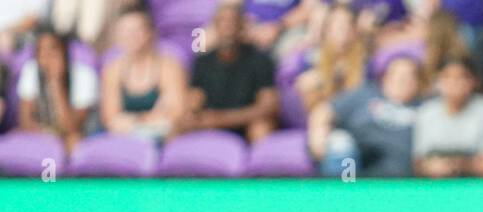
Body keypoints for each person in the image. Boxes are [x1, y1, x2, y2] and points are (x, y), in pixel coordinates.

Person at [309, 53, 424, 177]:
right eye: (399, 75)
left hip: (400, 172)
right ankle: (343, 193)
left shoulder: (424, 106)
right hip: (358, 160)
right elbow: (323, 111)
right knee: (339, 141)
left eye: (410, 75)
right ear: (385, 77)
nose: (404, 81)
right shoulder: (365, 94)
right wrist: (318, 133)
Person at [181, 2, 279, 142]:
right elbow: (195, 100)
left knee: (261, 127)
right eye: (223, 22)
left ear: (242, 25)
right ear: (215, 26)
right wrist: (193, 116)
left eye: (233, 22)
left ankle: (264, 162)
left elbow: (268, 107)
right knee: (182, 124)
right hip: (213, 123)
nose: (228, 27)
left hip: (245, 122)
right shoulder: (203, 62)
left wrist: (223, 119)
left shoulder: (260, 59)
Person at [99, 5, 186, 142]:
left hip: (161, 139)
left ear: (150, 32)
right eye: (125, 31)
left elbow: (176, 113)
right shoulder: (113, 70)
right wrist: (150, 118)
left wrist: (134, 121)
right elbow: (110, 117)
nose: (130, 36)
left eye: (136, 30)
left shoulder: (169, 67)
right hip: (123, 138)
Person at [413, 56, 483, 177]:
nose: (454, 83)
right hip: (437, 184)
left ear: (474, 81)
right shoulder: (426, 112)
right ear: (438, 81)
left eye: (462, 77)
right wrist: (431, 166)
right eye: (447, 77)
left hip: (478, 183)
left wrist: (457, 165)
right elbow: (419, 161)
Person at [17, 26, 99, 153]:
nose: (46, 57)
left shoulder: (84, 75)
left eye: (53, 50)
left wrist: (56, 82)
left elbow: (71, 126)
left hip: (77, 134)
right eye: (41, 51)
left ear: (65, 52)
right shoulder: (31, 70)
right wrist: (45, 134)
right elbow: (25, 120)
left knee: (74, 143)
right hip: (41, 132)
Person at [294, 2, 369, 115]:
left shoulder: (366, 58)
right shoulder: (311, 56)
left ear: (355, 30)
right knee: (308, 82)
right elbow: (302, 87)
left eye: (347, 25)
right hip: (321, 115)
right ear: (327, 29)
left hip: (355, 115)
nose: (342, 30)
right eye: (336, 25)